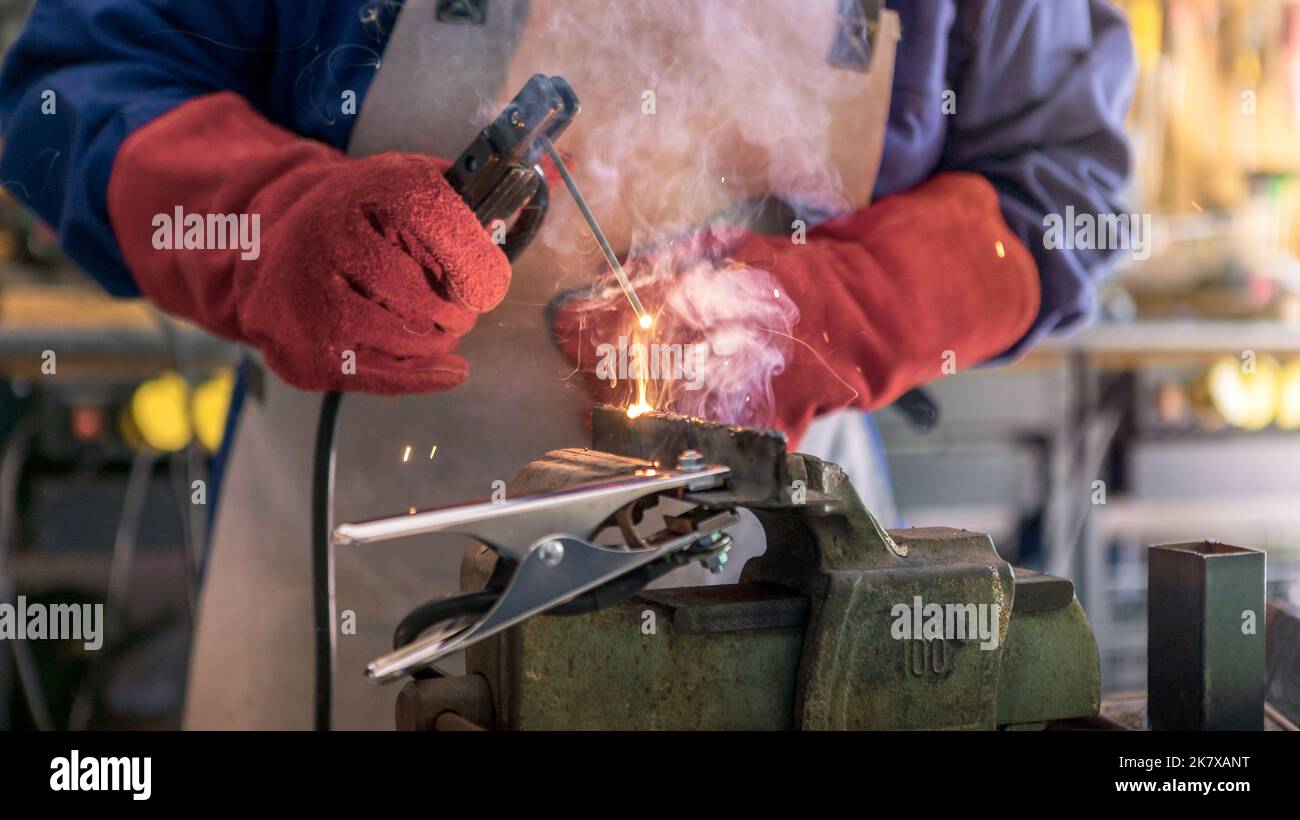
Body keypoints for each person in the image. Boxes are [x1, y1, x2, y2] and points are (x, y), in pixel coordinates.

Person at [0, 0, 1135, 729]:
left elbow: (1064, 189)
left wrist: (832, 309)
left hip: (786, 587)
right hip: (355, 590)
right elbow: (75, 84)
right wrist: (271, 224)